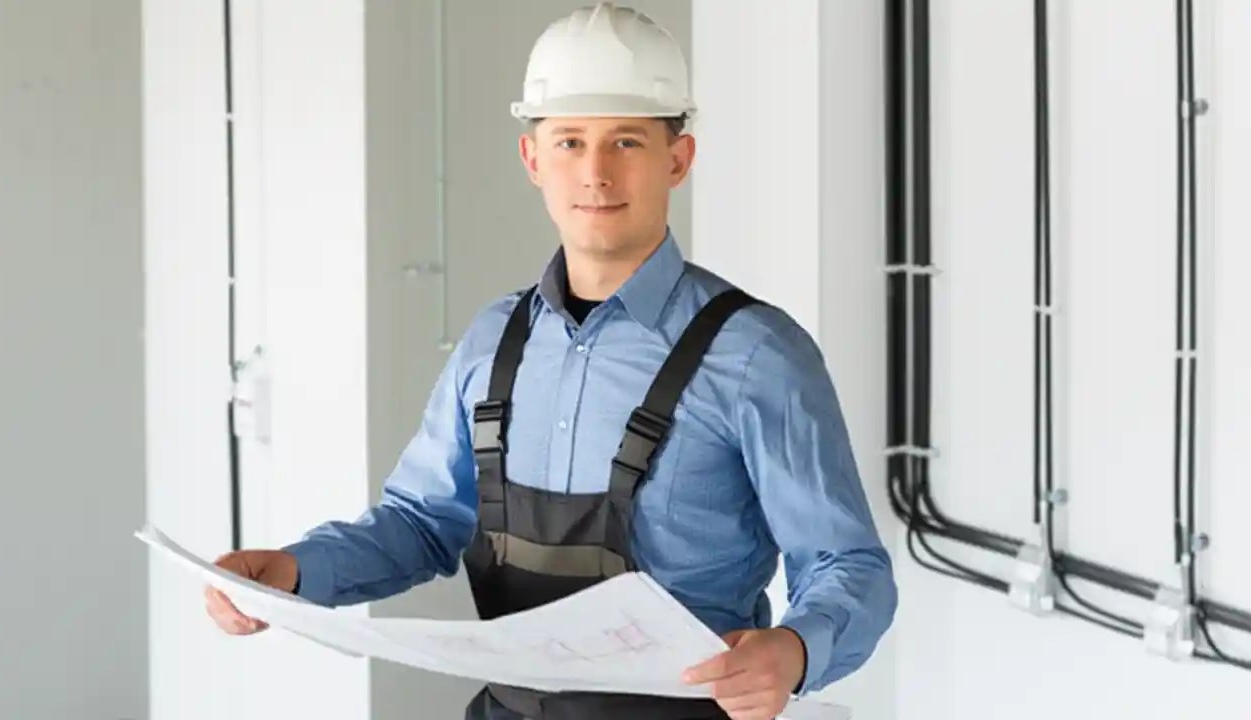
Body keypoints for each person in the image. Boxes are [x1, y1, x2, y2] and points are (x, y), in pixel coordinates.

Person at [203, 3, 896, 719]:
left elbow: (850, 566)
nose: (595, 173)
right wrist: (291, 572)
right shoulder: (492, 343)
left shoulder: (756, 356)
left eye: (626, 141)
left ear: (678, 159)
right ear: (533, 159)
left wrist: (795, 650)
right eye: (569, 141)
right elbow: (421, 522)